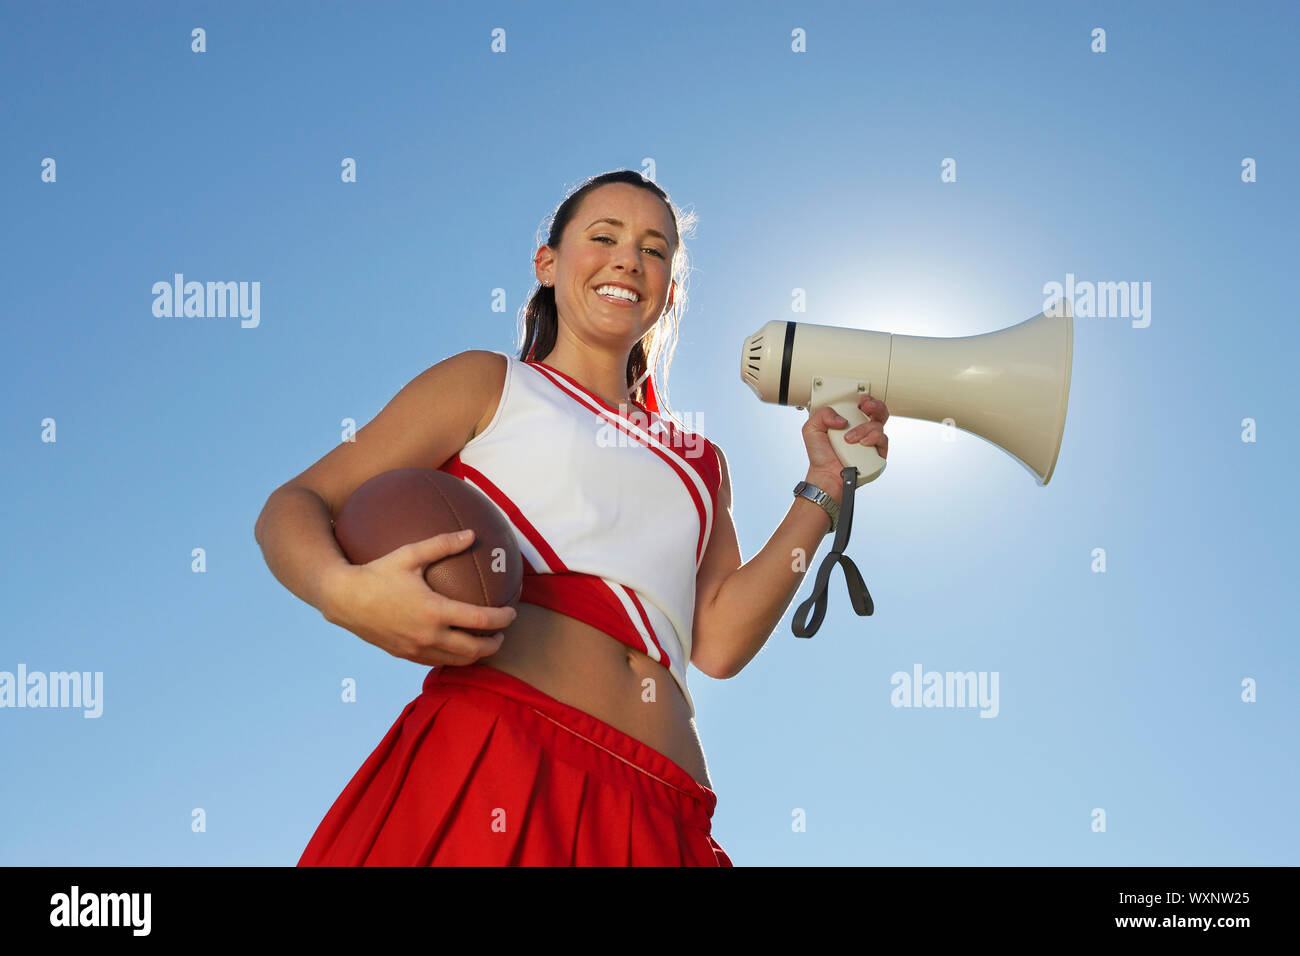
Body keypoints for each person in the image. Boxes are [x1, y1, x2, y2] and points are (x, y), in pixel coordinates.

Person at [254, 169, 890, 866]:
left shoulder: (697, 458)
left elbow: (719, 643)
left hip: (662, 807)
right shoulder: (489, 383)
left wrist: (823, 487)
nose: (628, 259)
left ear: (668, 292)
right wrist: (341, 593)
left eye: (654, 249)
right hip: (498, 752)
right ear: (548, 264)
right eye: (604, 236)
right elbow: (296, 504)